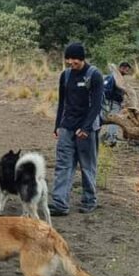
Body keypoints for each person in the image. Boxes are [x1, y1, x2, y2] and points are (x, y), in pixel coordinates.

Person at [49, 43, 104, 216]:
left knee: (87, 166)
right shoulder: (65, 76)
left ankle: (89, 200)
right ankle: (60, 203)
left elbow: (96, 105)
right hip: (67, 127)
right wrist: (57, 125)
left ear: (82, 59)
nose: (72, 65)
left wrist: (86, 128)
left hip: (86, 129)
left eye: (75, 62)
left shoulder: (94, 75)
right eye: (69, 62)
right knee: (63, 165)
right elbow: (62, 102)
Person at [101, 61, 132, 147]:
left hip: (106, 101)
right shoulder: (115, 78)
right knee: (114, 119)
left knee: (107, 118)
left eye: (127, 69)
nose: (127, 70)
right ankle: (111, 139)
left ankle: (108, 136)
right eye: (125, 68)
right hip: (112, 102)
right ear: (120, 68)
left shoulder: (110, 77)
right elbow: (107, 90)